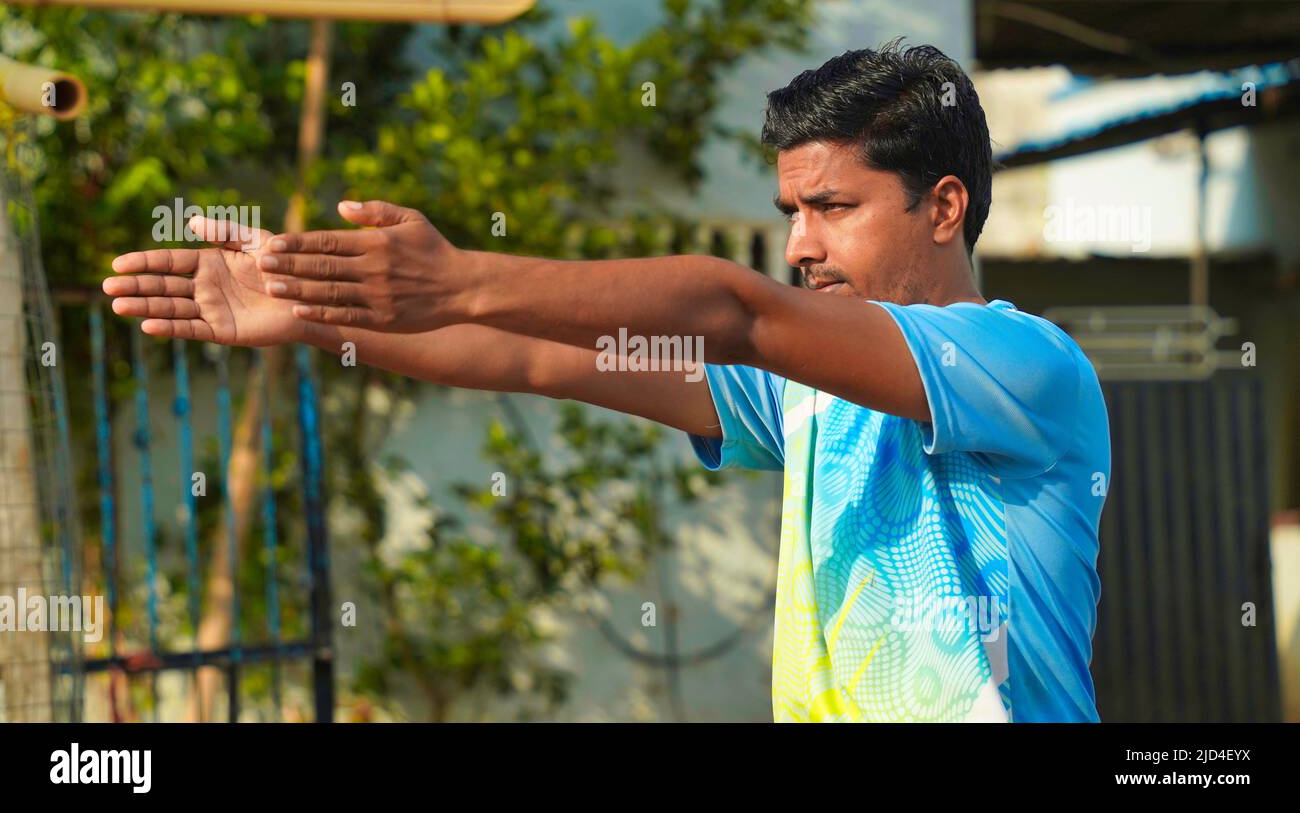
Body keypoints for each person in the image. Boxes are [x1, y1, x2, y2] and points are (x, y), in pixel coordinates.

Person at [103, 40, 1109, 722]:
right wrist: (317, 312)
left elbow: (734, 308)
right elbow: (535, 354)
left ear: (943, 208)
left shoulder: (1024, 365)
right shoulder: (804, 391)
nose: (799, 244)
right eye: (789, 210)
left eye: (833, 207)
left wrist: (460, 272)